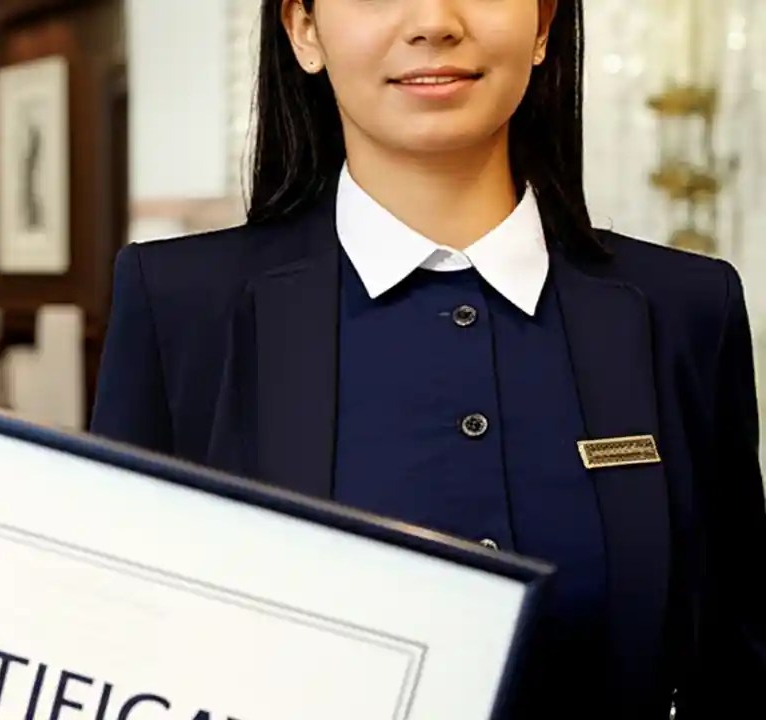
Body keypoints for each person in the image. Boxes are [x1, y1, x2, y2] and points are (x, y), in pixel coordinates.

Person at [89, 1, 766, 717]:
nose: (434, 21)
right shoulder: (179, 306)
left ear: (542, 25)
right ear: (304, 30)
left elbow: (735, 662)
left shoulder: (688, 308)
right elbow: (121, 644)